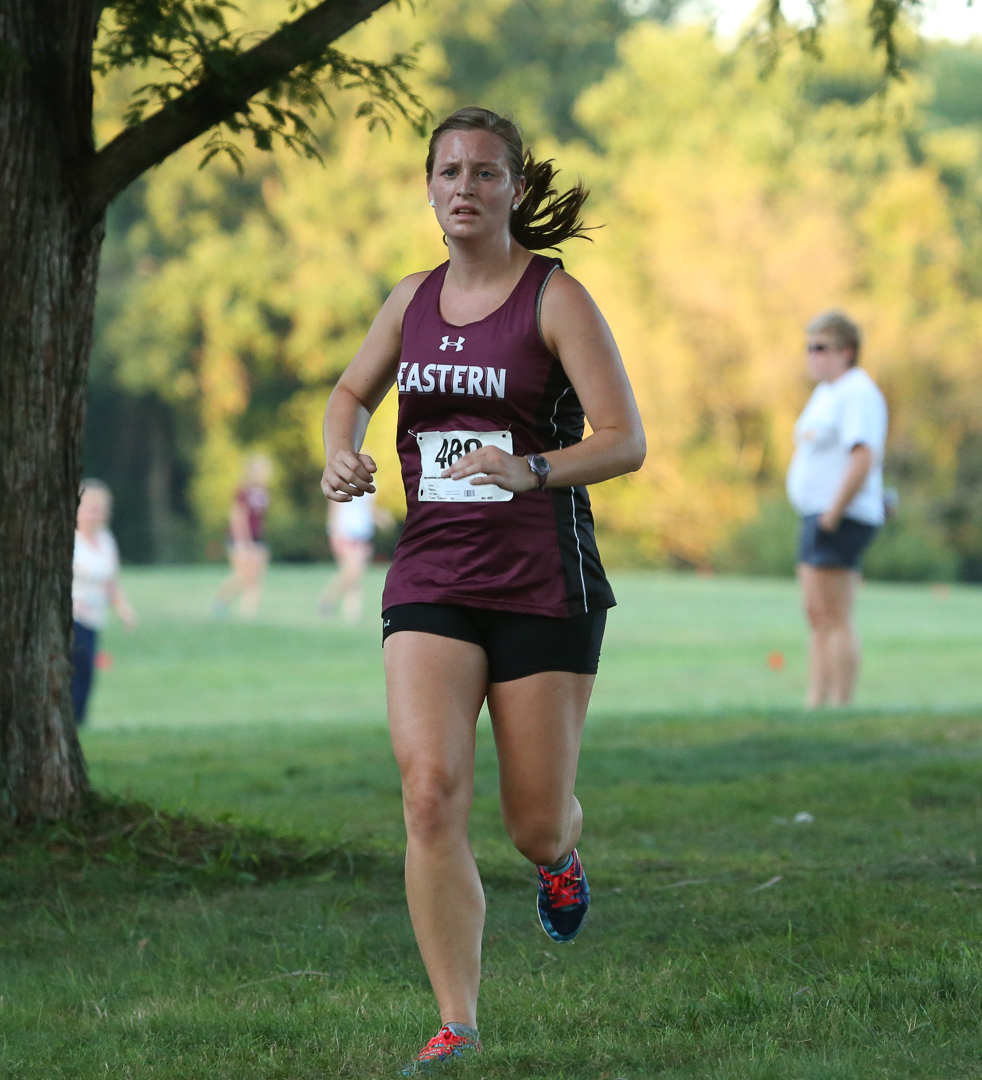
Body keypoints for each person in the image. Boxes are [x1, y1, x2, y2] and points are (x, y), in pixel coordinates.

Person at [317, 106, 645, 1074]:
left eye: (485, 173)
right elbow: (350, 395)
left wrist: (533, 470)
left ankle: (560, 859)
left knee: (532, 817)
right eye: (448, 172)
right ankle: (457, 1022)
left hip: (544, 578)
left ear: (514, 187)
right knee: (429, 793)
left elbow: (624, 440)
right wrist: (343, 454)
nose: (464, 187)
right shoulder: (409, 299)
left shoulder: (556, 299)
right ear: (429, 188)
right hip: (432, 574)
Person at [785, 309, 888, 709]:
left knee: (835, 615)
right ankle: (816, 703)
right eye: (809, 347)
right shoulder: (827, 392)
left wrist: (833, 511)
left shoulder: (857, 392)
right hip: (818, 514)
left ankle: (841, 705)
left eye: (821, 348)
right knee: (816, 615)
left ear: (847, 351)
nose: (812, 355)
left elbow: (863, 456)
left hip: (839, 516)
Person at [71, 480, 137, 727]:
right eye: (90, 508)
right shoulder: (71, 541)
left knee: (87, 672)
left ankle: (79, 720)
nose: (95, 514)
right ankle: (72, 718)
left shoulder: (107, 541)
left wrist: (124, 611)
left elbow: (111, 582)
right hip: (72, 617)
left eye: (100, 509)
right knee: (77, 666)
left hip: (94, 619)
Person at [212, 454, 273, 619]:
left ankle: (248, 615)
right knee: (242, 575)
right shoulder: (243, 492)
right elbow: (238, 517)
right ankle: (221, 600)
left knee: (255, 578)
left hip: (258, 539)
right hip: (241, 539)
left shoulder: (265, 493)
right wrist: (243, 542)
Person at [319, 489, 380, 623]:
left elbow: (369, 508)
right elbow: (334, 508)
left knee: (357, 576)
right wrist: (335, 534)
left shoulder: (371, 481)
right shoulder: (344, 478)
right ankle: (329, 598)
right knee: (351, 572)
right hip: (345, 535)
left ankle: (352, 616)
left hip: (363, 535)